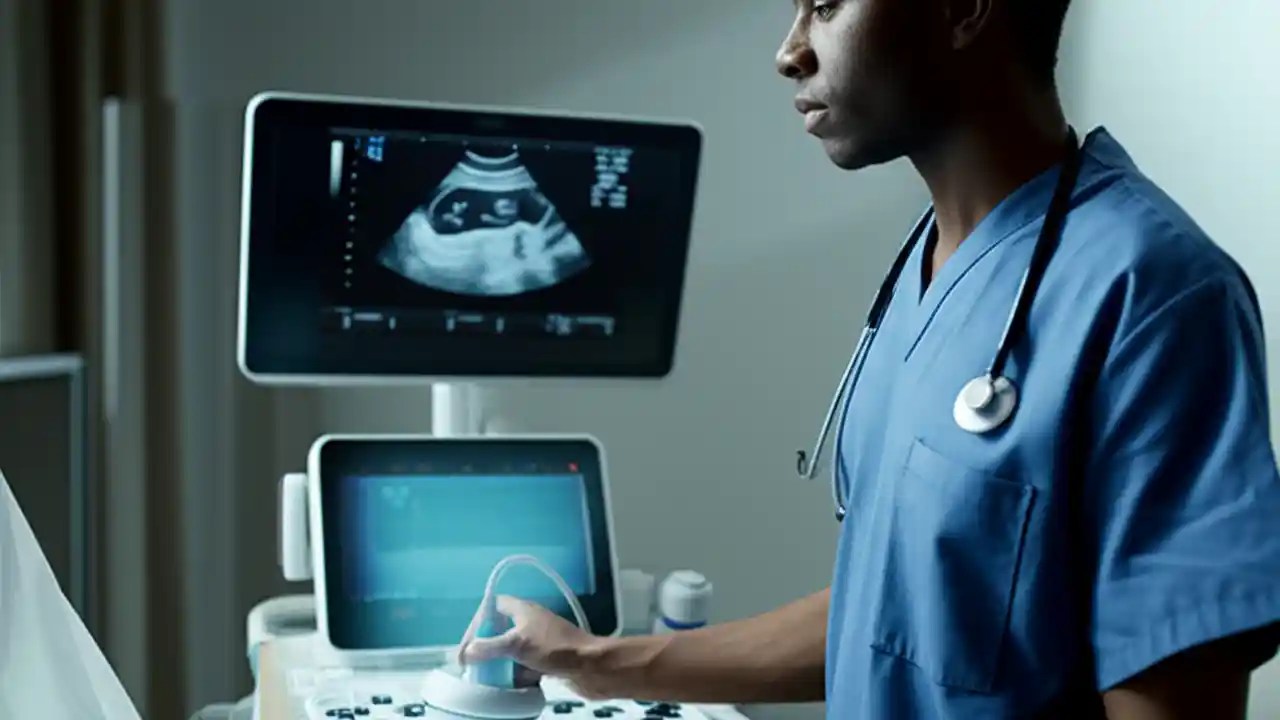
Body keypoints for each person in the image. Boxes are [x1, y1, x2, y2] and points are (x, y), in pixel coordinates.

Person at [461, 1, 1280, 717]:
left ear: (964, 8)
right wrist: (594, 663)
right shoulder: (927, 266)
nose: (789, 51)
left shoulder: (1156, 296)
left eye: (825, 5)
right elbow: (902, 615)